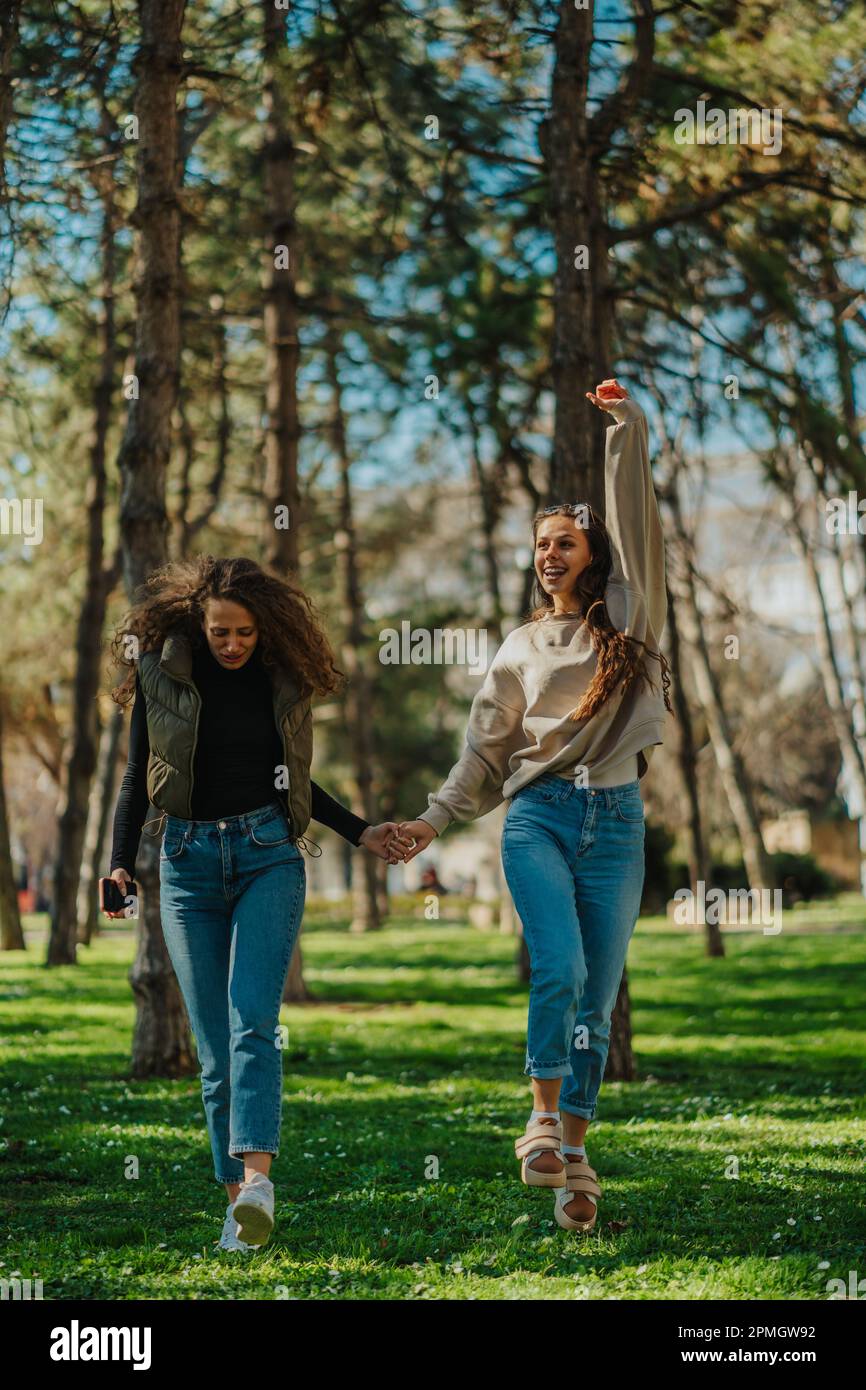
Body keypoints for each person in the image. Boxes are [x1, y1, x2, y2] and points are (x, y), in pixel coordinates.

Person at [396, 380, 673, 1233]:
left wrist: (627, 431)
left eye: (564, 542)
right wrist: (433, 822)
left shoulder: (628, 618)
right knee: (560, 967)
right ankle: (543, 1118)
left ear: (592, 553)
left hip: (618, 822)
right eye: (540, 544)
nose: (550, 553)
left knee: (599, 997)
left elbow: (637, 524)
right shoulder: (520, 646)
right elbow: (484, 750)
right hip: (540, 818)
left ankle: (576, 1157)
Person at [104, 555, 412, 1252]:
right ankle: (239, 1204)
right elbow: (135, 775)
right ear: (199, 622)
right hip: (184, 864)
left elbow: (299, 780)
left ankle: (260, 1178)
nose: (233, 645)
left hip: (267, 853)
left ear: (262, 629)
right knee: (213, 1050)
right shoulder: (162, 673)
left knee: (252, 1021)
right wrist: (122, 864)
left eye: (244, 633)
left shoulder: (281, 682)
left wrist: (362, 832)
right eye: (221, 633)